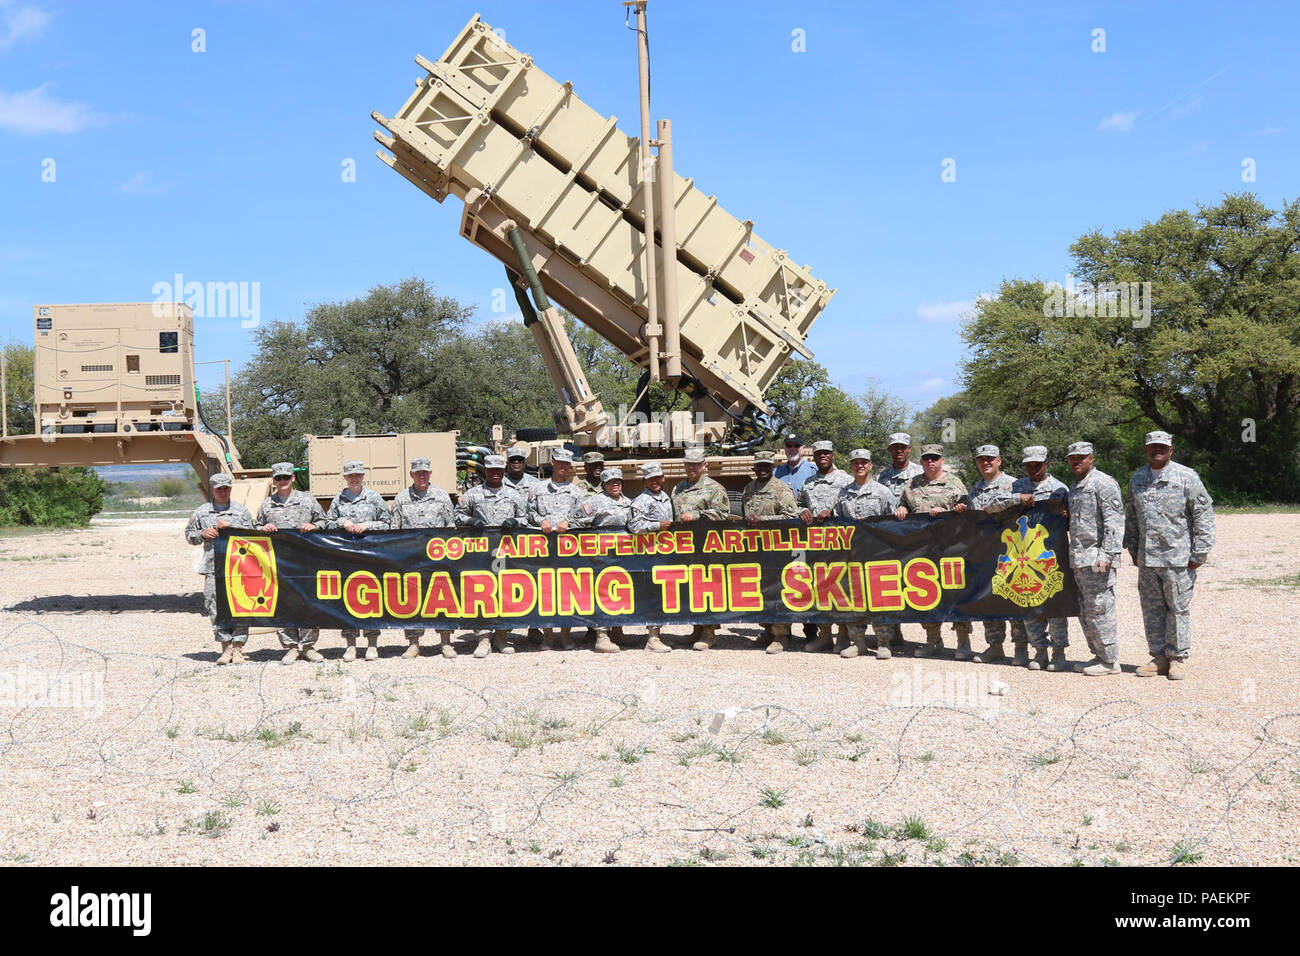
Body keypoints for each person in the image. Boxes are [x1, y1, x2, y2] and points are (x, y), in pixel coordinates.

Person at [1123, 431, 1215, 681]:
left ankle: (1177, 658)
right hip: (1147, 559)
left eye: (1162, 447)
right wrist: (1132, 547)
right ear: (1146, 450)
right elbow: (1131, 516)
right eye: (1153, 447)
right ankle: (1158, 658)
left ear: (1171, 450)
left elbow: (1203, 515)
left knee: (1177, 609)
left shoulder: (1187, 477)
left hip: (1178, 559)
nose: (1157, 450)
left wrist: (1200, 552)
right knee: (1152, 610)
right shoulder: (1138, 478)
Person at [893, 444, 970, 658]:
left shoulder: (955, 483)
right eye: (926, 458)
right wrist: (902, 509)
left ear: (942, 460)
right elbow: (904, 506)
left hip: (951, 550)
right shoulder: (913, 484)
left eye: (935, 458)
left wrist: (948, 512)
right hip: (923, 551)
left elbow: (967, 512)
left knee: (955, 595)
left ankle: (963, 642)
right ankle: (933, 641)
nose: (930, 462)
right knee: (926, 595)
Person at [455, 454, 527, 658]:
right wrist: (470, 521)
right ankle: (483, 638)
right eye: (491, 470)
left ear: (504, 471)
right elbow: (457, 515)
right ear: (485, 471)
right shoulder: (472, 494)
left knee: (504, 592)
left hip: (505, 551)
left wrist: (515, 522)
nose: (495, 473)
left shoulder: (514, 494)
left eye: (499, 470)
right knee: (481, 592)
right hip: (479, 551)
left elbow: (525, 518)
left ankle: (502, 636)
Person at [1064, 442, 1125, 676]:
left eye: (1081, 457)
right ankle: (1099, 655)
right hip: (1080, 558)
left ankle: (1110, 661)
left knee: (1100, 608)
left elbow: (1114, 522)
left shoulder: (1103, 483)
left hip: (1098, 559)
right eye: (1072, 458)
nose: (1076, 461)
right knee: (1086, 609)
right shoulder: (1076, 486)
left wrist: (1108, 554)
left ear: (1092, 458)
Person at [256, 461, 327, 664]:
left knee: (308, 601)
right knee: (283, 603)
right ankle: (291, 647)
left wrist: (313, 525)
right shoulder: (267, 504)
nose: (283, 481)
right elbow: (257, 526)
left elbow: (325, 523)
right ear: (274, 480)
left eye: (286, 477)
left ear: (293, 478)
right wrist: (263, 527)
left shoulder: (308, 500)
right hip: (278, 562)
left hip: (305, 560)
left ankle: (308, 646)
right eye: (278, 478)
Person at [1009, 446, 1071, 671]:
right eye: (1029, 465)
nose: (1033, 469)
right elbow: (994, 506)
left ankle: (1059, 652)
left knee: (1055, 607)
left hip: (1051, 556)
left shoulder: (1060, 488)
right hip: (1023, 557)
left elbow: (1073, 521)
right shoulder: (1017, 486)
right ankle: (1040, 651)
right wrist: (1017, 498)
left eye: (1038, 465)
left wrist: (1067, 515)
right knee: (1030, 605)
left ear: (1046, 464)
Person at [390, 456, 458, 659]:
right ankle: (413, 643)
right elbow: (395, 530)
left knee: (442, 600)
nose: (421, 475)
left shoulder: (442, 496)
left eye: (425, 472)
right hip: (411, 560)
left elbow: (450, 527)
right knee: (412, 601)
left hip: (438, 559)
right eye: (417, 472)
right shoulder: (402, 498)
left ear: (430, 474)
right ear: (411, 474)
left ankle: (445, 641)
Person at [324, 460, 391, 661]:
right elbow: (326, 524)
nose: (354, 478)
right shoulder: (339, 499)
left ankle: (372, 643)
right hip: (345, 558)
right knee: (348, 599)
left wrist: (367, 525)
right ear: (345, 477)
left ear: (363, 476)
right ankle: (350, 644)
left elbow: (387, 523)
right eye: (350, 475)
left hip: (370, 556)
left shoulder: (374, 497)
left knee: (371, 598)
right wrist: (341, 522)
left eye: (358, 475)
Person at [185, 473, 255, 665]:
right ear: (212, 490)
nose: (222, 492)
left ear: (230, 489)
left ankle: (239, 647)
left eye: (226, 488)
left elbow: (253, 535)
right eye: (218, 489)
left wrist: (231, 526)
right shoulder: (201, 512)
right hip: (212, 567)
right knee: (213, 605)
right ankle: (226, 647)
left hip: (238, 568)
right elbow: (189, 536)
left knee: (240, 605)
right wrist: (202, 533)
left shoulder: (241, 512)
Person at [833, 449, 895, 658]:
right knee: (855, 597)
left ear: (870, 465)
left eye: (863, 462)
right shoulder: (843, 493)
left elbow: (893, 523)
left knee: (879, 598)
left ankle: (883, 642)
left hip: (878, 554)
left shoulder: (883, 491)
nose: (859, 466)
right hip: (853, 554)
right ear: (851, 466)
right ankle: (857, 642)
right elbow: (837, 520)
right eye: (855, 463)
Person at [569, 467, 636, 654]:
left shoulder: (629, 503)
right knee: (603, 595)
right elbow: (575, 523)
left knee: (620, 594)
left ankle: (617, 630)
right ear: (604, 484)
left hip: (625, 557)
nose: (615, 485)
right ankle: (601, 636)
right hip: (601, 558)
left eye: (618, 482)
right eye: (610, 482)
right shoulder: (594, 502)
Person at [670, 447, 732, 650]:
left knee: (707, 589)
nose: (691, 468)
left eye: (695, 464)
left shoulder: (715, 488)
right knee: (690, 589)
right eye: (688, 464)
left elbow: (723, 515)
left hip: (706, 547)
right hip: (684, 548)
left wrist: (698, 515)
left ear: (704, 465)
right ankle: (696, 629)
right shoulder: (678, 488)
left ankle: (708, 633)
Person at [527, 448, 586, 650]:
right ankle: (548, 637)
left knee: (566, 593)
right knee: (545, 593)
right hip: (542, 551)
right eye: (559, 462)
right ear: (552, 462)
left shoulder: (576, 492)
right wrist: (541, 520)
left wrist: (569, 522)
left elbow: (584, 517)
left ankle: (566, 636)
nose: (562, 466)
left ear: (570, 466)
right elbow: (528, 512)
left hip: (567, 552)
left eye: (566, 464)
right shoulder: (537, 489)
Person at [965, 444, 1020, 663]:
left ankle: (1021, 648)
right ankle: (995, 646)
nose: (985, 462)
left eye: (990, 459)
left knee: (1015, 598)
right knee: (989, 600)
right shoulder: (974, 489)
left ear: (999, 461)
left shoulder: (1014, 484)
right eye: (981, 459)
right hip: (985, 552)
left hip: (1011, 552)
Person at [797, 440, 853, 653]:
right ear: (814, 456)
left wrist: (833, 513)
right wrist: (802, 511)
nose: (822, 456)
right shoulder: (808, 483)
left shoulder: (845, 480)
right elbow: (801, 504)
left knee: (842, 589)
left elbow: (851, 510)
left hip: (840, 544)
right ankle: (825, 635)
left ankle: (844, 635)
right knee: (820, 589)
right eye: (819, 453)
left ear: (832, 455)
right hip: (816, 545)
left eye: (826, 453)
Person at [741, 451, 799, 653]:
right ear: (754, 468)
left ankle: (781, 635)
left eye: (767, 465)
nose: (763, 469)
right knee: (761, 591)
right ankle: (767, 629)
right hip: (755, 550)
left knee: (778, 591)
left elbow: (792, 517)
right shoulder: (749, 488)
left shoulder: (781, 490)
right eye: (759, 466)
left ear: (773, 467)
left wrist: (763, 521)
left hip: (777, 550)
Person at [628, 461, 675, 653]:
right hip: (648, 555)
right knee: (653, 594)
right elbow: (634, 526)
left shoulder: (666, 498)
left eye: (658, 478)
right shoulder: (641, 501)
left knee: (665, 594)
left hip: (666, 555)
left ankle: (658, 633)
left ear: (663, 478)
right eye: (650, 479)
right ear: (645, 481)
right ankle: (652, 637)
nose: (655, 482)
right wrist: (657, 526)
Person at [877, 432, 924, 505]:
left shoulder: (921, 472)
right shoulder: (881, 477)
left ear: (909, 449)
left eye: (903, 447)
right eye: (895, 447)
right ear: (889, 449)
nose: (899, 450)